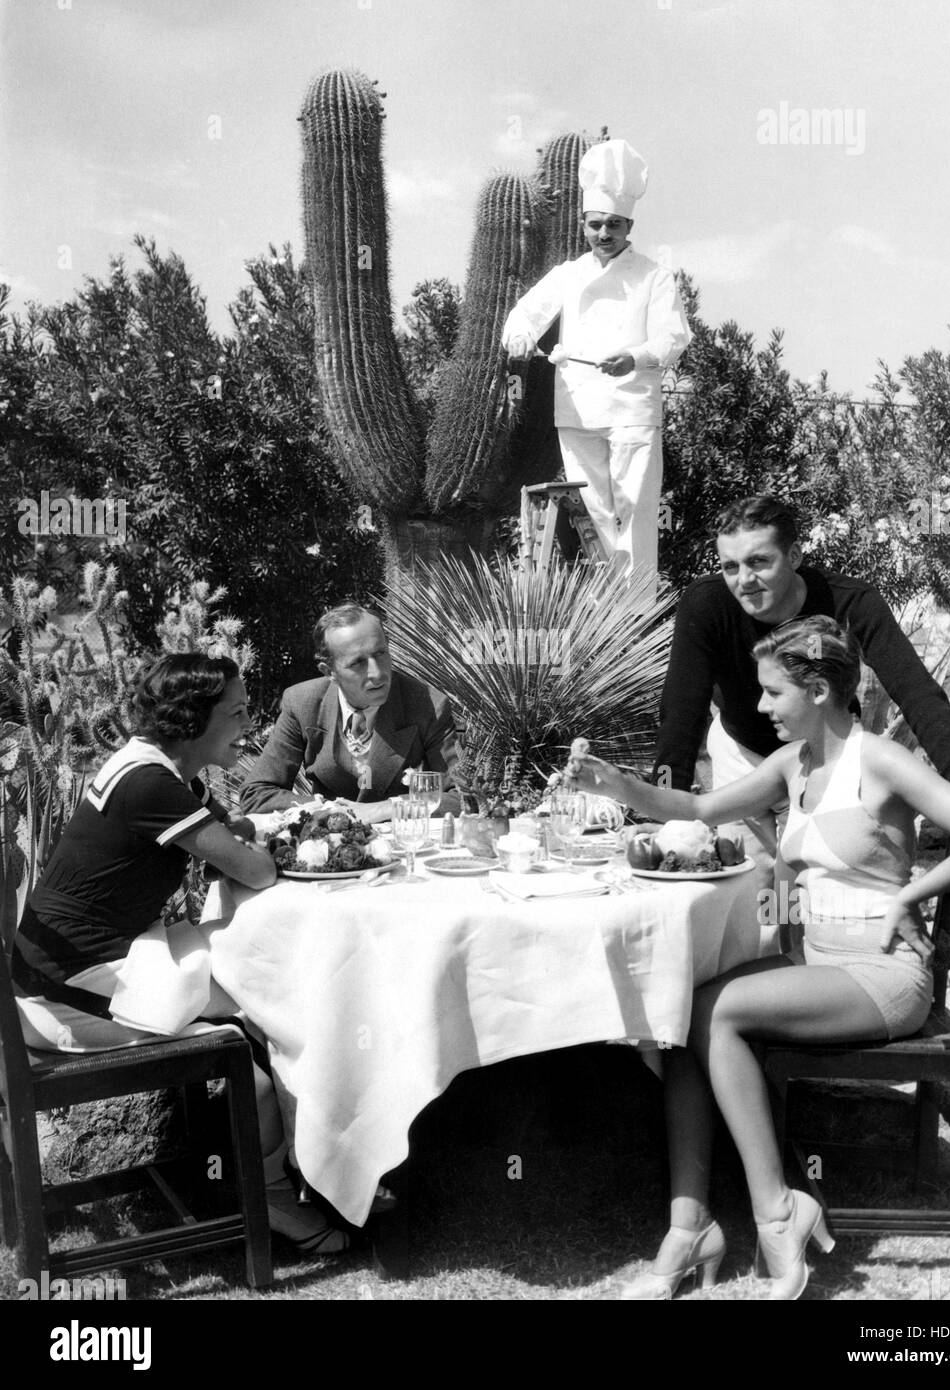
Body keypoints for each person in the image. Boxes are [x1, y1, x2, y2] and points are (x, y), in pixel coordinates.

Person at [570, 615, 950, 1299]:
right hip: (819, 967)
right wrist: (615, 786)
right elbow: (697, 803)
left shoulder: (880, 760)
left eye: (774, 692)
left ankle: (778, 1212)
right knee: (681, 1009)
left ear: (820, 689)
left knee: (716, 1012)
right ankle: (689, 1227)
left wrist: (910, 896)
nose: (760, 707)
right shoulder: (794, 764)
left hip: (884, 976)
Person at [12, 652, 346, 1254]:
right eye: (239, 712)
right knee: (258, 1030)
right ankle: (272, 1191)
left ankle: (297, 1167)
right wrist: (251, 840)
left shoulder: (162, 771)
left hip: (83, 964)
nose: (250, 725)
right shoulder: (150, 784)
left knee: (267, 998)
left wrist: (244, 831)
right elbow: (256, 868)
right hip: (61, 992)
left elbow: (234, 831)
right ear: (193, 719)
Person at [653, 495, 950, 923]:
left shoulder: (849, 602)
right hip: (741, 755)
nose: (744, 580)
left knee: (816, 893)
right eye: (730, 566)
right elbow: (681, 707)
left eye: (759, 562)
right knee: (748, 897)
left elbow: (915, 690)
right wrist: (662, 804)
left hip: (823, 757)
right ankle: (769, 973)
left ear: (795, 556)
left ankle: (826, 971)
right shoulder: (707, 603)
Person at [501, 138, 690, 581]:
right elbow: (522, 317)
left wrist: (636, 356)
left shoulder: (654, 276)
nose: (604, 235)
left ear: (629, 227)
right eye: (596, 225)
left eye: (614, 226)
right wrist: (521, 337)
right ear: (584, 224)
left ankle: (635, 613)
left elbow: (673, 336)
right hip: (579, 409)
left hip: (632, 410)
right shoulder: (568, 275)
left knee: (636, 511)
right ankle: (607, 607)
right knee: (596, 511)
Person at [239, 603, 461, 822]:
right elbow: (256, 793)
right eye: (358, 663)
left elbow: (462, 797)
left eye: (380, 653)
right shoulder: (302, 703)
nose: (377, 673)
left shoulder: (428, 704)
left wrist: (385, 809)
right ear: (330, 671)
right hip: (328, 846)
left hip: (405, 846)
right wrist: (330, 810)